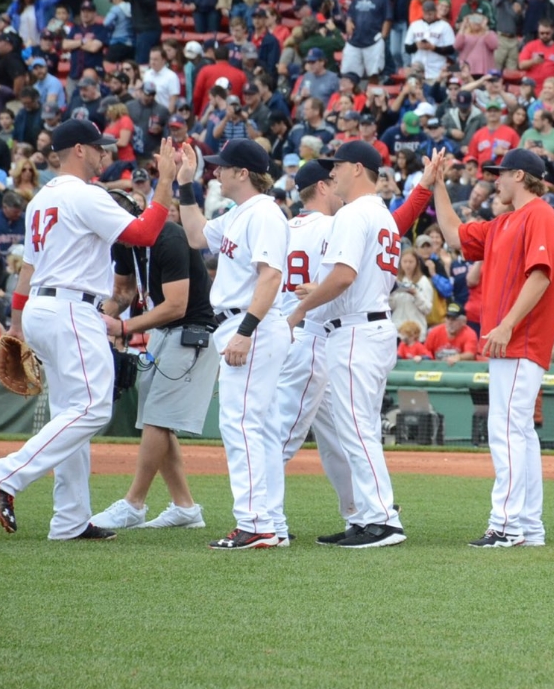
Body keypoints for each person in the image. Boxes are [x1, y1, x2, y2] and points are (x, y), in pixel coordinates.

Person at [0, 119, 173, 541]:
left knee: (72, 411)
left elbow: (27, 268)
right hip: (71, 309)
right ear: (80, 150)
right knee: (93, 408)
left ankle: (69, 520)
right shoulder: (83, 195)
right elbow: (144, 232)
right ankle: (5, 475)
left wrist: (16, 325)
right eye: (100, 147)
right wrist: (167, 182)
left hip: (43, 307)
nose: (106, 153)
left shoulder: (40, 199)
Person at [428, 147, 554, 547]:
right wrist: (436, 183)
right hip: (510, 342)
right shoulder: (505, 222)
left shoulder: (540, 215)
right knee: (518, 432)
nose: (494, 180)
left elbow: (540, 276)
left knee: (505, 430)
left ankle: (506, 526)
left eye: (500, 174)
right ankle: (529, 526)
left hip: (520, 340)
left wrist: (506, 324)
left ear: (520, 176)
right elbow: (453, 233)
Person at [285, 142, 407, 549]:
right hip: (368, 326)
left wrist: (298, 310)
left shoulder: (354, 213)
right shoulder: (382, 215)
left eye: (335, 166)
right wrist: (319, 291)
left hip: (356, 331)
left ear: (358, 168)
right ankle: (367, 519)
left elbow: (343, 277)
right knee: (360, 428)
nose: (330, 173)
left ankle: (383, 520)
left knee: (357, 430)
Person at [173, 137, 288, 550]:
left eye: (223, 166)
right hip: (243, 324)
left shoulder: (265, 213)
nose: (216, 172)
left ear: (243, 173)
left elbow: (271, 276)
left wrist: (245, 331)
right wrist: (185, 183)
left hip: (250, 324)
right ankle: (271, 522)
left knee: (242, 426)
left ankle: (256, 523)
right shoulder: (240, 213)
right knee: (259, 428)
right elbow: (197, 235)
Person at [89, 185, 220, 531]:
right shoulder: (123, 239)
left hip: (191, 332)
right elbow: (123, 291)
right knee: (157, 420)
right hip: (164, 335)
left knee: (158, 421)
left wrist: (122, 326)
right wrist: (95, 315)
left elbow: (176, 304)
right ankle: (185, 508)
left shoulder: (169, 237)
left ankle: (134, 503)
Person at [264, 162, 359, 544]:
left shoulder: (284, 227)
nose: (338, 188)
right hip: (309, 338)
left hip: (288, 331)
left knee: (339, 436)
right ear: (322, 186)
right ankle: (267, 522)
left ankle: (361, 512)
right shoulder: (334, 226)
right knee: (281, 437)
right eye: (333, 182)